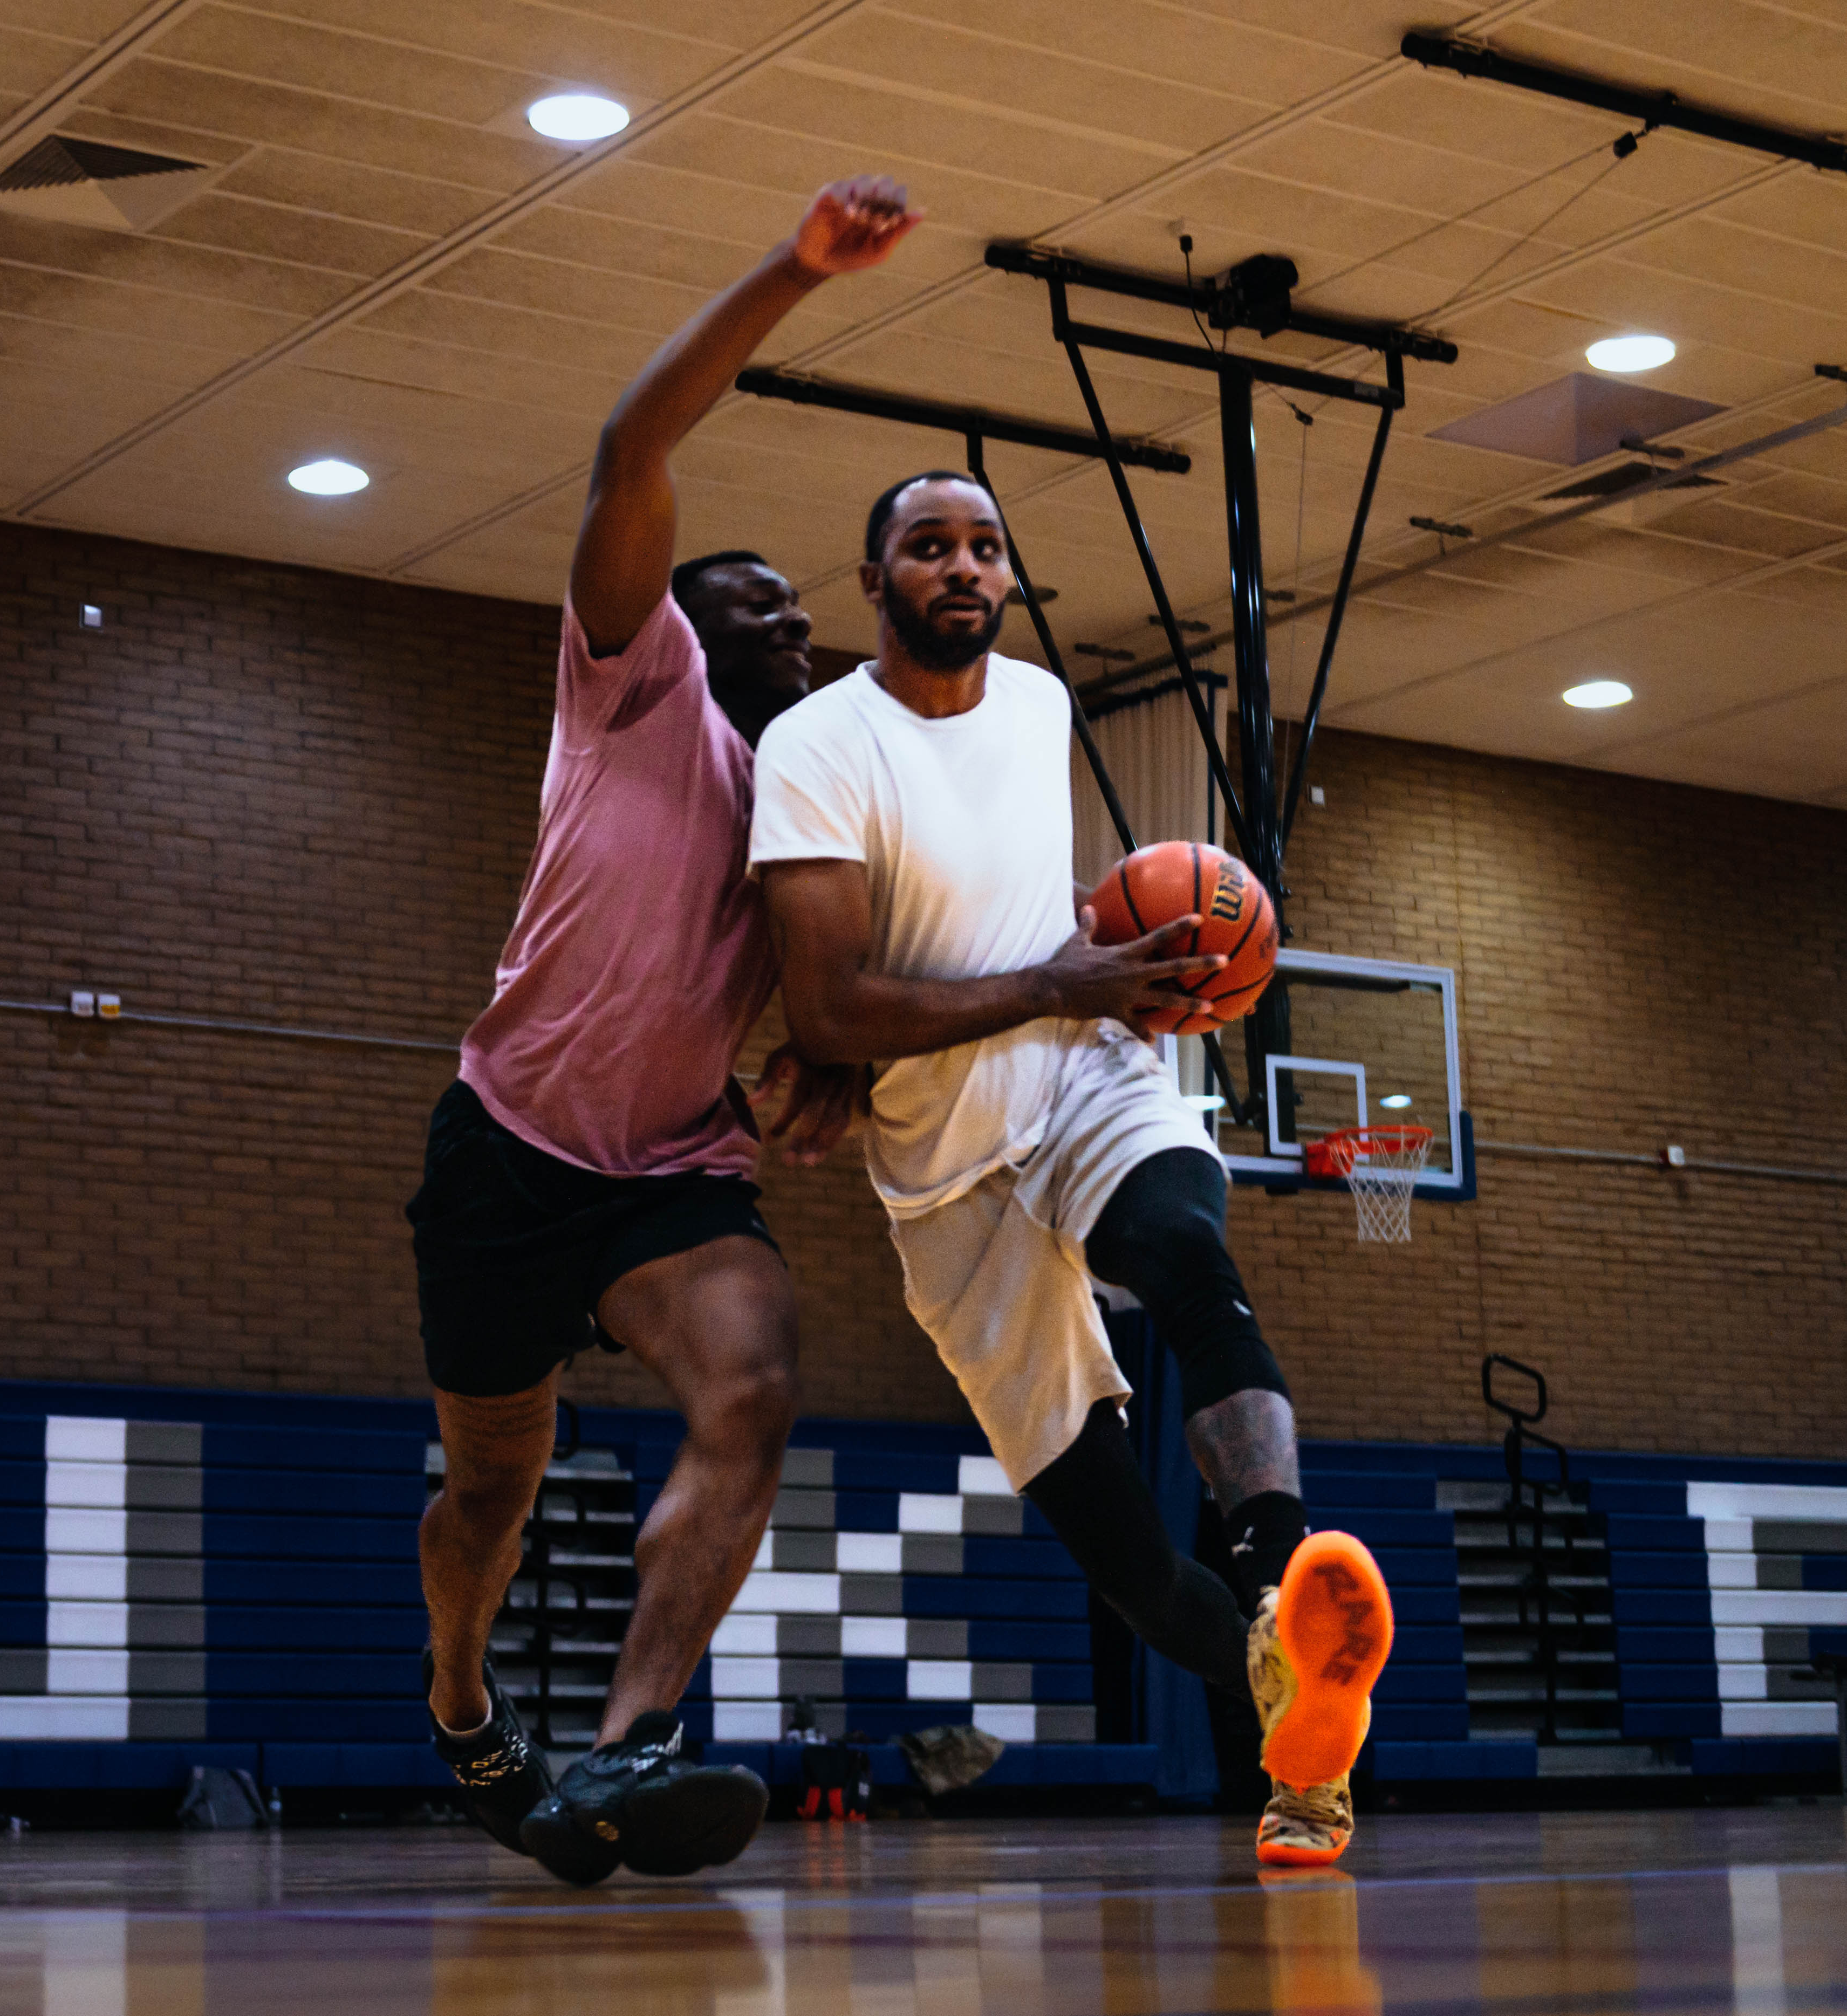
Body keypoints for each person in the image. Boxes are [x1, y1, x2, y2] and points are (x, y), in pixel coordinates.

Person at [745, 470, 1394, 1868]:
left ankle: (1287, 1583)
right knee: (1131, 1569)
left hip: (1084, 1070)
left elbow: (1020, 924)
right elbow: (829, 1011)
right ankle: (1291, 1719)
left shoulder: (1037, 702)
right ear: (875, 581)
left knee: (1183, 1253)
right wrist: (1038, 975)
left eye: (985, 547)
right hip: (942, 1184)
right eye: (929, 547)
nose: (963, 568)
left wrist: (1101, 972)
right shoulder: (814, 743)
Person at [407, 175, 920, 1887]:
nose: (788, 624)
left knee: (758, 1386)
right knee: (490, 1491)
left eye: (800, 610)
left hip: (666, 1171)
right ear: (679, 627)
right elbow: (635, 441)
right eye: (753, 605)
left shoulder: (814, 799)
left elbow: (849, 992)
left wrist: (839, 1056)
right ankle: (464, 1703)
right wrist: (791, 267)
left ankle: (627, 1749)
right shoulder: (633, 688)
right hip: (505, 1146)